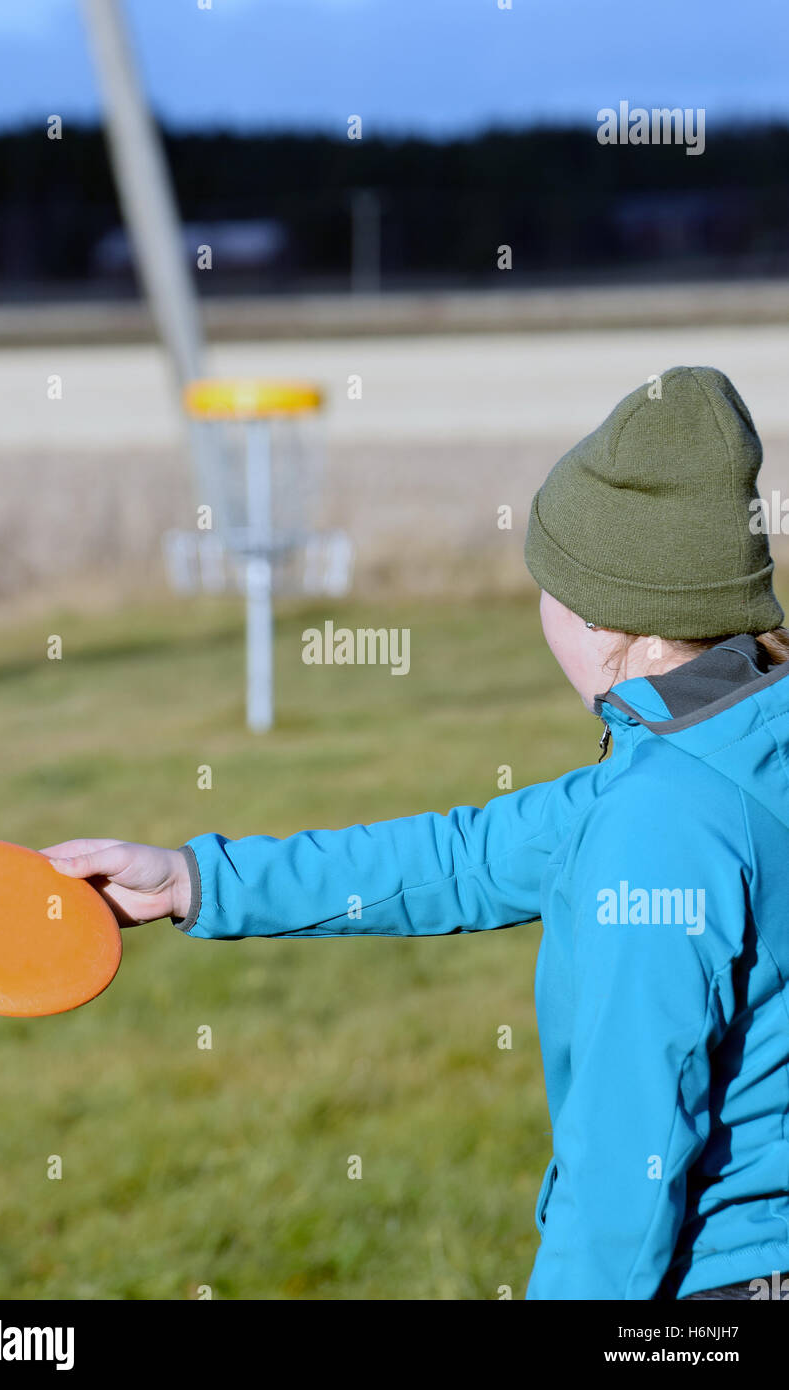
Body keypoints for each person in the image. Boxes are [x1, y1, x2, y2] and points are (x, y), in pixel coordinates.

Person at [43, 366, 789, 1301]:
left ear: (607, 612)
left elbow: (625, 1174)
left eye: (547, 583)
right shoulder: (735, 742)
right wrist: (198, 880)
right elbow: (461, 857)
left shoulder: (660, 823)